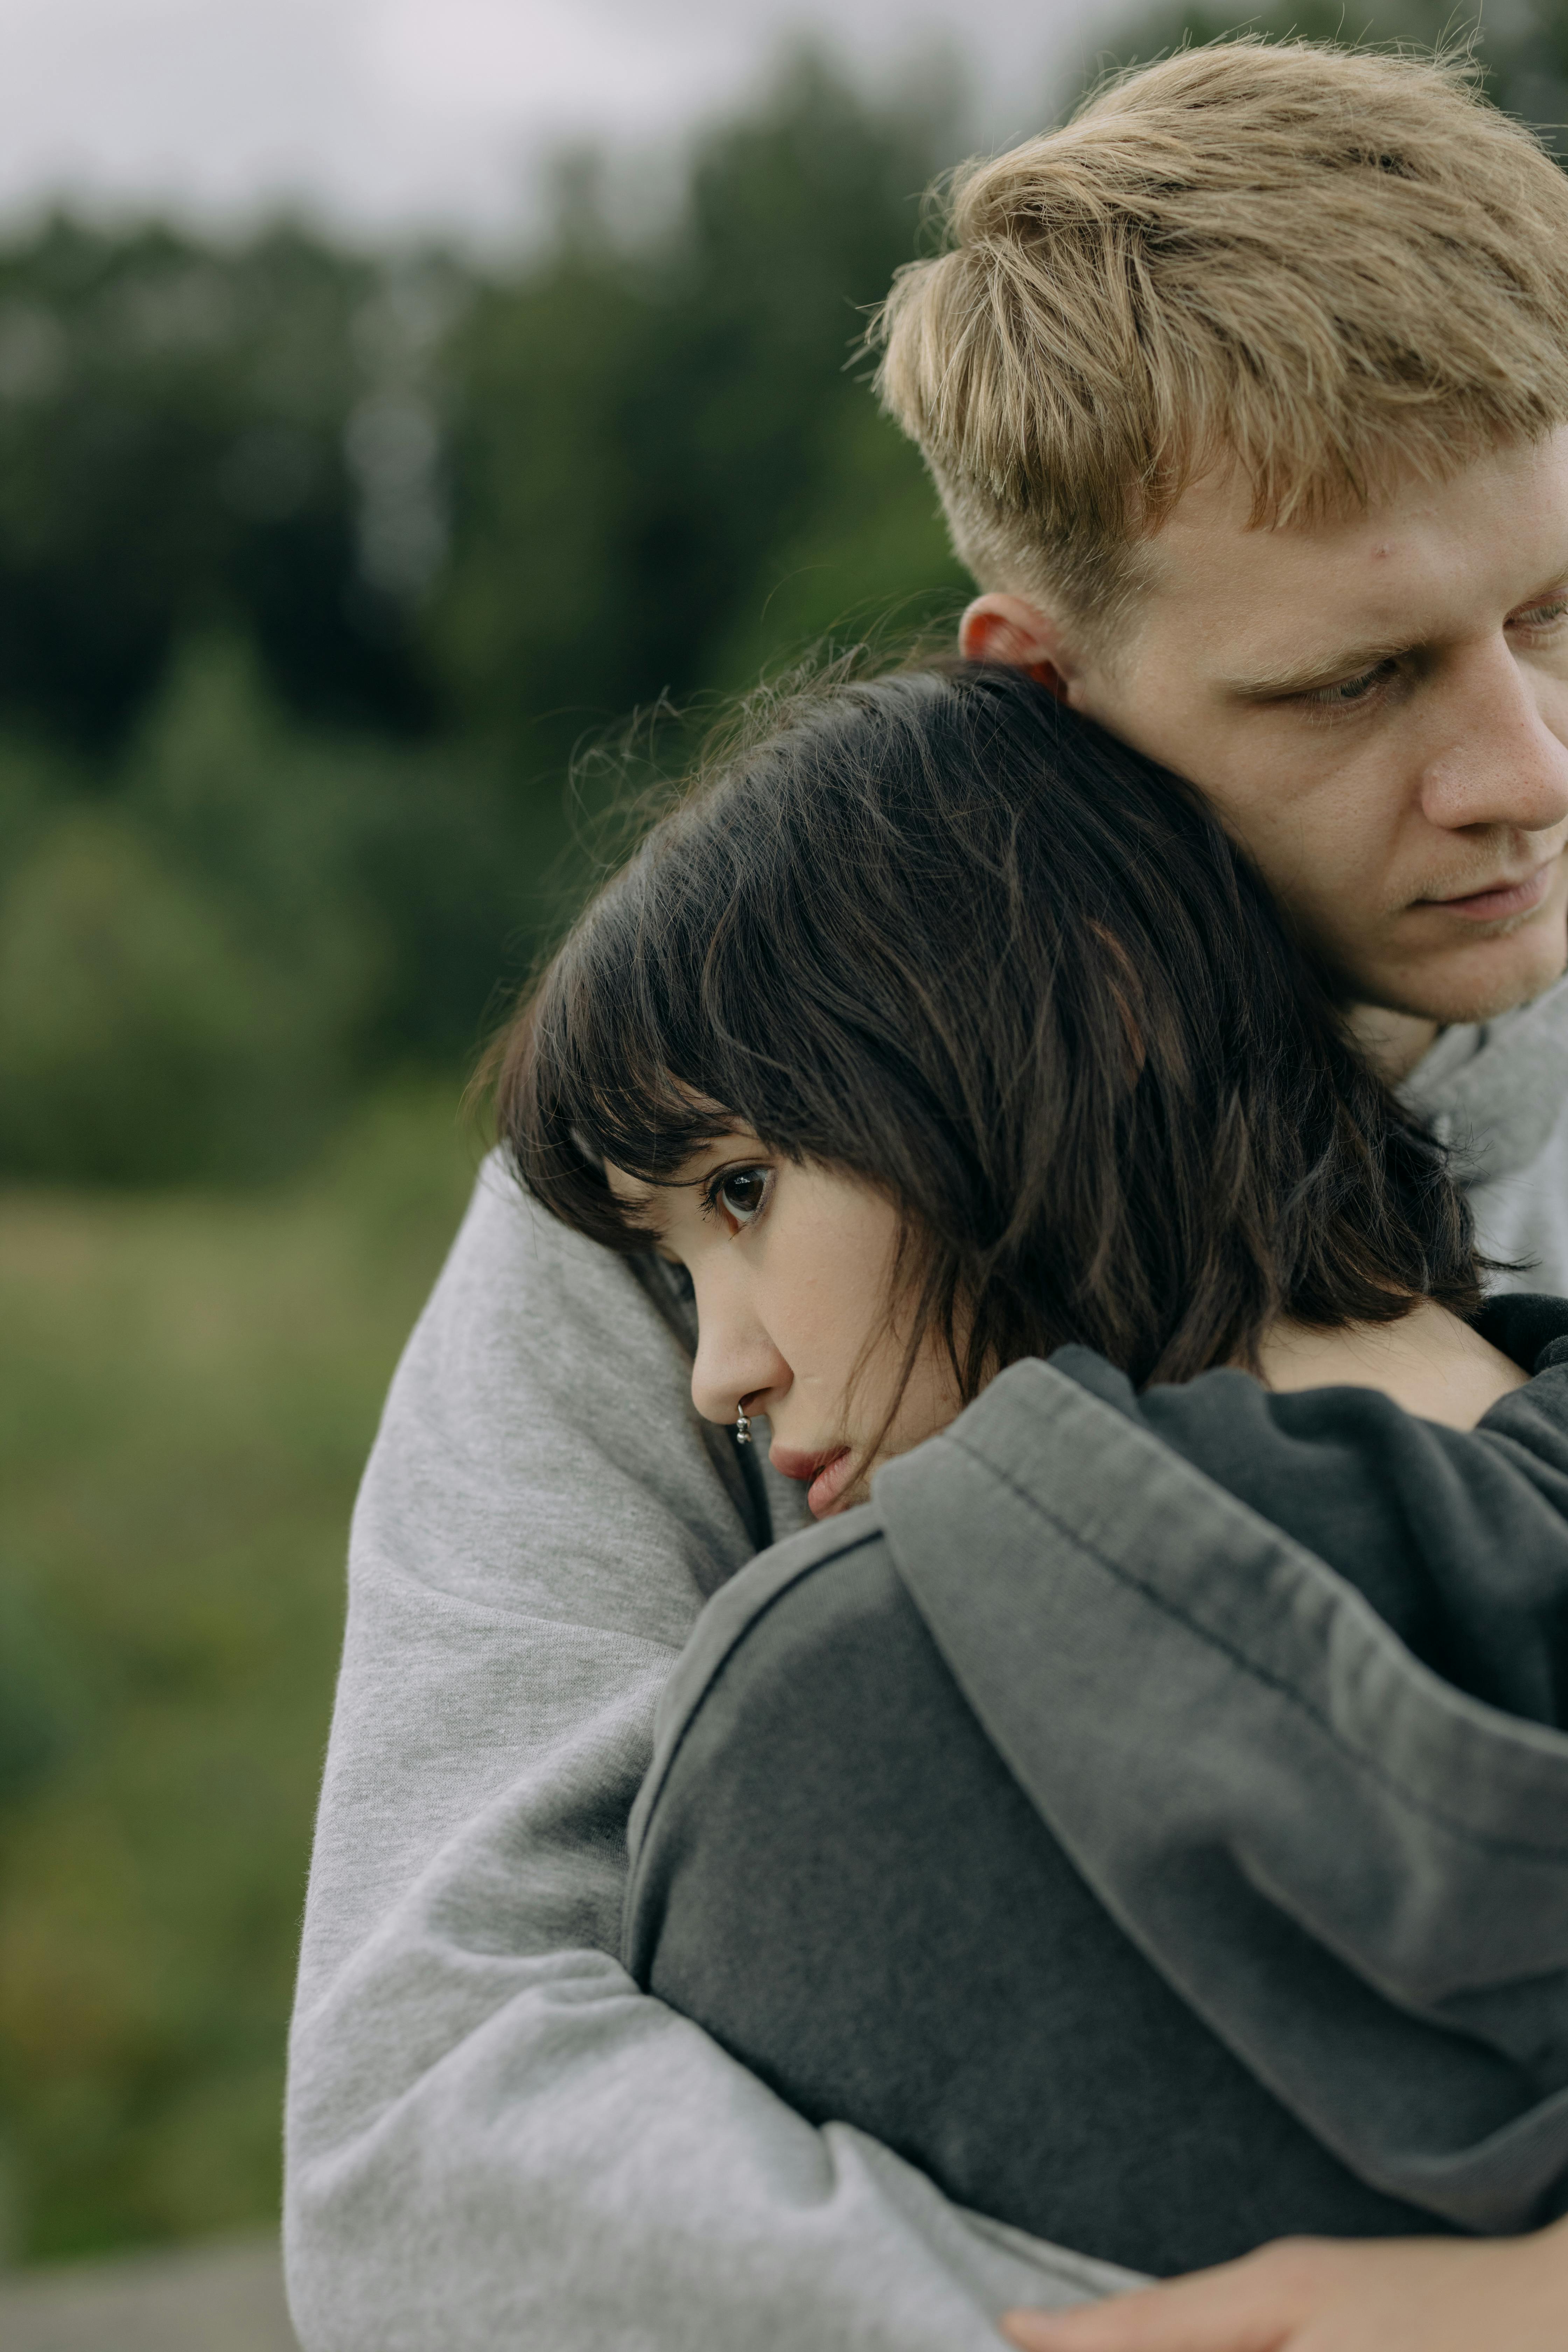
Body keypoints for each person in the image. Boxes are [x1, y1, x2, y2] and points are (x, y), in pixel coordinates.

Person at [284, 40, 1568, 2352]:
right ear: (1046, 694)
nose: (1524, 770)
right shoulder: (683, 1192)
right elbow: (431, 2129)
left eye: (1560, 616)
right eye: (1359, 679)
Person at [500, 658, 1568, 2282]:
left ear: (1099, 1002)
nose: (719, 1372)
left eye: (738, 1189)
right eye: (672, 1268)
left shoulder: (846, 1695)